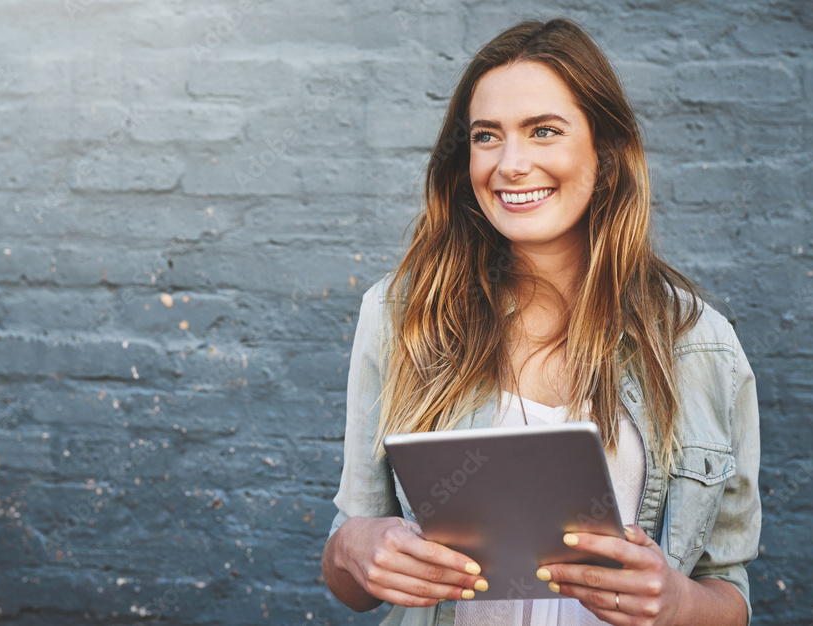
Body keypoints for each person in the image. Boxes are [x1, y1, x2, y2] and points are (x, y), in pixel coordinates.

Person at [320, 16, 761, 626]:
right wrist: (354, 549)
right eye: (486, 136)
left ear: (606, 155)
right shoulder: (403, 317)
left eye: (543, 130)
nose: (510, 164)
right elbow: (350, 575)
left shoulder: (700, 346)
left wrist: (680, 601)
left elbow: (727, 593)